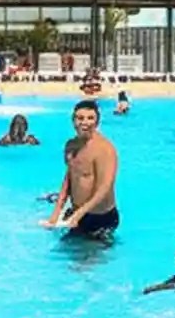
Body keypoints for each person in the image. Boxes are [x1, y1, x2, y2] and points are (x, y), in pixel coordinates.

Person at [42, 100, 120, 240]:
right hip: (78, 213)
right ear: (73, 121)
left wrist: (79, 214)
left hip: (100, 218)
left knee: (85, 260)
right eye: (80, 118)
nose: (85, 122)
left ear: (97, 122)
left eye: (90, 118)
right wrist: (57, 211)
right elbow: (69, 178)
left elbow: (104, 188)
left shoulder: (105, 150)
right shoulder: (70, 146)